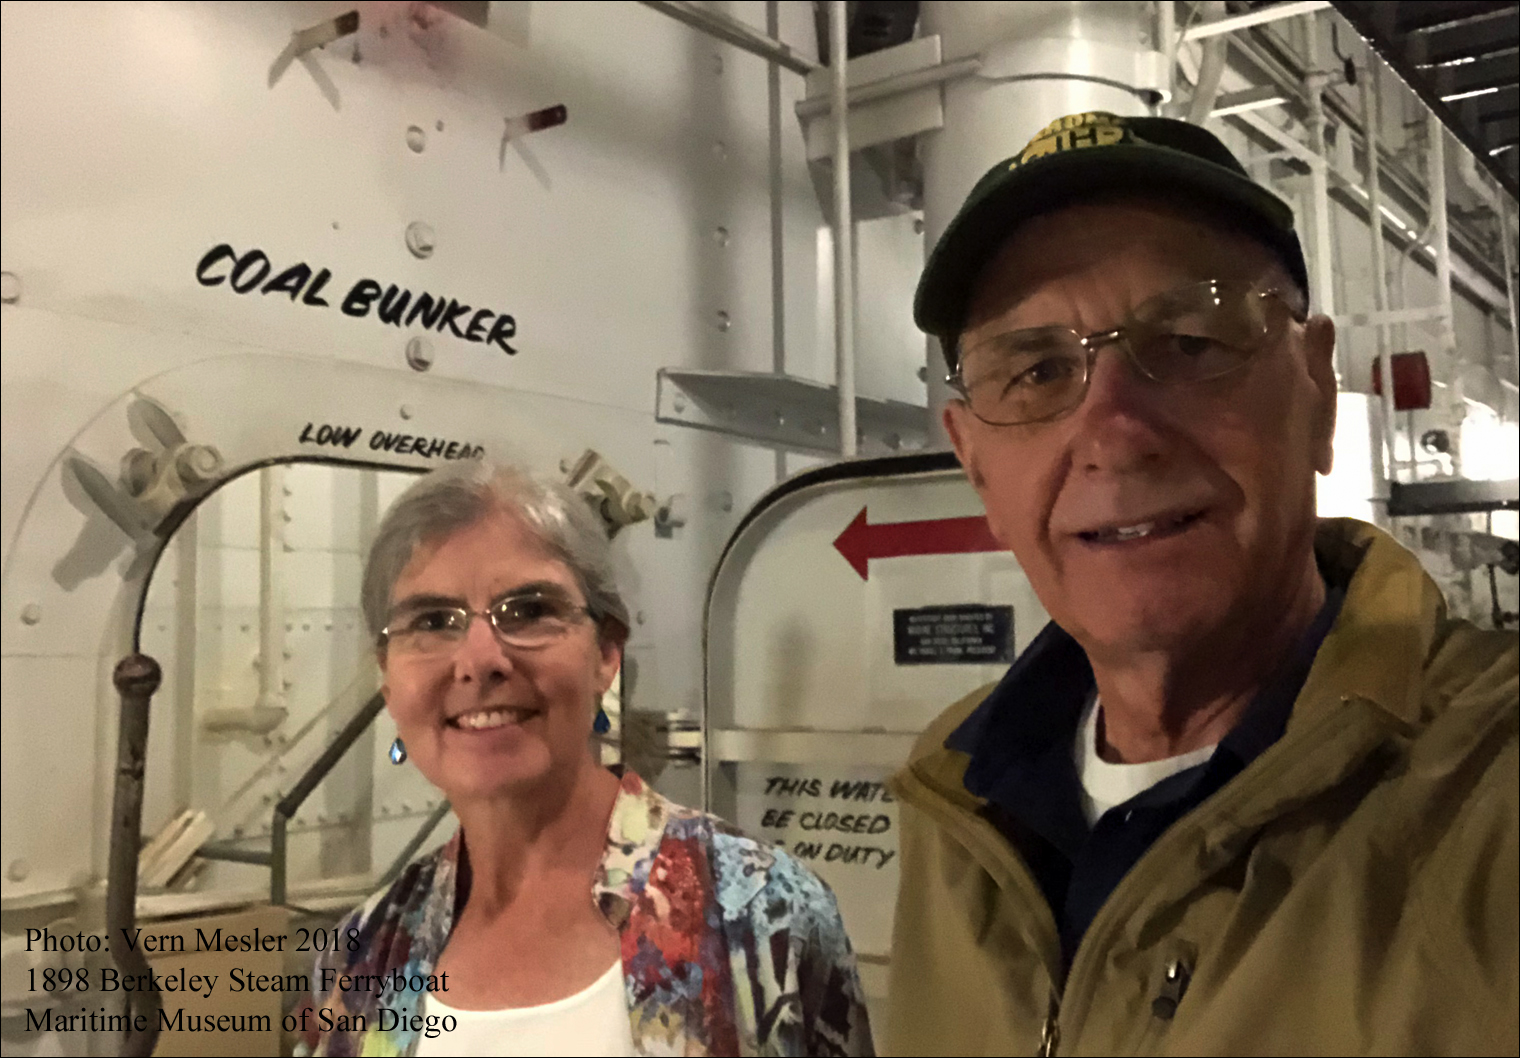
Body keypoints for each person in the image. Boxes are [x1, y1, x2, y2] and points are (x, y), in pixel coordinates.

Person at [885, 111, 1518, 1056]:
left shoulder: (1486, 790)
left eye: (1188, 340)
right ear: (975, 465)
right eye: (1039, 370)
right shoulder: (959, 797)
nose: (1114, 428)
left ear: (1316, 393)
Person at [295, 461, 873, 1057]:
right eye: (432, 621)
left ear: (606, 653)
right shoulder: (362, 953)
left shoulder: (763, 915)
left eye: (528, 611)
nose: (479, 659)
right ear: (387, 681)